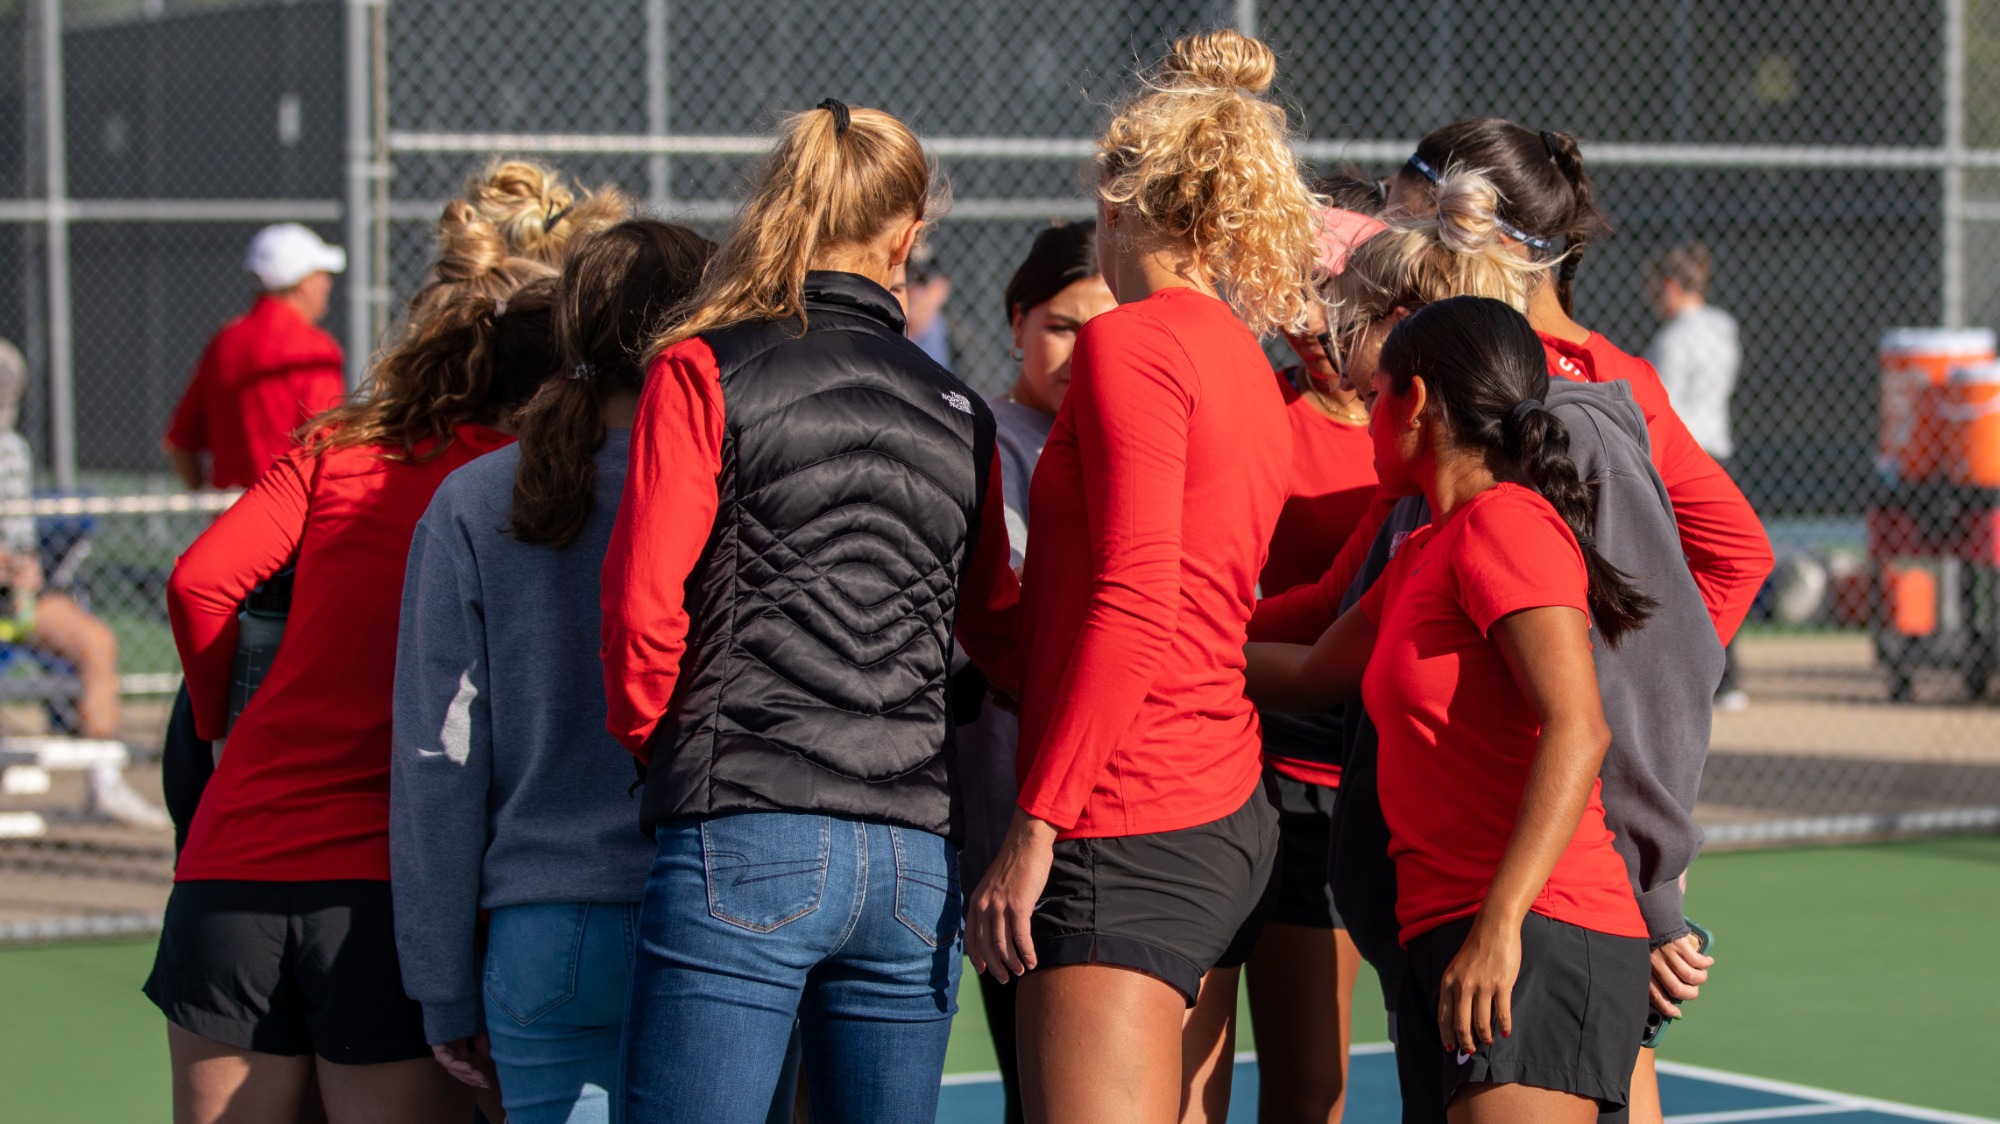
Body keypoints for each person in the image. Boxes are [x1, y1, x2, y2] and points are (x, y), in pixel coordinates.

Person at [600, 98, 1020, 1124]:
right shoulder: (957, 409)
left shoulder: (704, 366)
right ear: (907, 234)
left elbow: (641, 608)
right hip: (913, 857)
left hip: (744, 815)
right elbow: (996, 628)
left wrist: (664, 746)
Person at [963, 29, 1323, 1122]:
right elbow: (1065, 620)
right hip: (1216, 802)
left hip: (1127, 812)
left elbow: (1134, 599)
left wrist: (1035, 821)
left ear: (1119, 207)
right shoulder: (1244, 368)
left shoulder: (1131, 344)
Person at [1380, 120, 1770, 1120]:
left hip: (1530, 876)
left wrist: (1648, 876)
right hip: (1442, 853)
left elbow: (1719, 566)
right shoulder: (1452, 364)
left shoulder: (1575, 398)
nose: (1397, 236)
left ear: (1485, 231)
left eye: (1418, 213)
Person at [146, 202, 559, 1124]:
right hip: (386, 898)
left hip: (229, 870)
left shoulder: (341, 450)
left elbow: (200, 583)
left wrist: (226, 733)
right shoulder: (525, 486)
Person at [1246, 295, 1659, 1123]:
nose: (1364, 415)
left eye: (1378, 393)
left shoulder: (1505, 526)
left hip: (1531, 933)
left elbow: (1580, 728)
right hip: (1451, 931)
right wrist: (1150, 638)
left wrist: (1501, 925)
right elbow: (1306, 672)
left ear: (1420, 401)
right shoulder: (1426, 549)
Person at [390, 221, 713, 1124]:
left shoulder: (475, 498)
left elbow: (439, 754)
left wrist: (440, 979)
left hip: (542, 926)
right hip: (710, 912)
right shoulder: (735, 486)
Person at [951, 219, 1115, 1124]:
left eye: (1103, 328)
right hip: (1003, 784)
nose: (1083, 351)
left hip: (1113, 797)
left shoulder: (1130, 439)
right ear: (1017, 321)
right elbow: (994, 625)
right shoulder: (981, 436)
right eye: (1062, 326)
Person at [1238, 205, 1385, 1124]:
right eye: (1298, 294)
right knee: (1302, 1084)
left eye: (1335, 293)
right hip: (1280, 776)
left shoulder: (1426, 420)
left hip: (1391, 777)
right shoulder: (1259, 408)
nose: (1316, 318)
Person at [163, 223, 346, 491]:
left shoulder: (225, 342)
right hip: (293, 518)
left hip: (232, 514)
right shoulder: (316, 349)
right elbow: (327, 448)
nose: (327, 283)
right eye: (321, 275)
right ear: (302, 283)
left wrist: (209, 503)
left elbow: (180, 444)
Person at [0, 339, 121, 741]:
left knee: (96, 645)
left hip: (18, 602)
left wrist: (24, 567)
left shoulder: (14, 450)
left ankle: (100, 778)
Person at [1647, 244, 1747, 712]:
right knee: (1721, 565)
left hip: (1683, 459)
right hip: (1720, 453)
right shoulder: (1724, 328)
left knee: (1678, 571)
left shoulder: (1673, 339)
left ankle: (1695, 675)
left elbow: (1660, 409)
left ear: (1670, 286)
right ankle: (1728, 676)